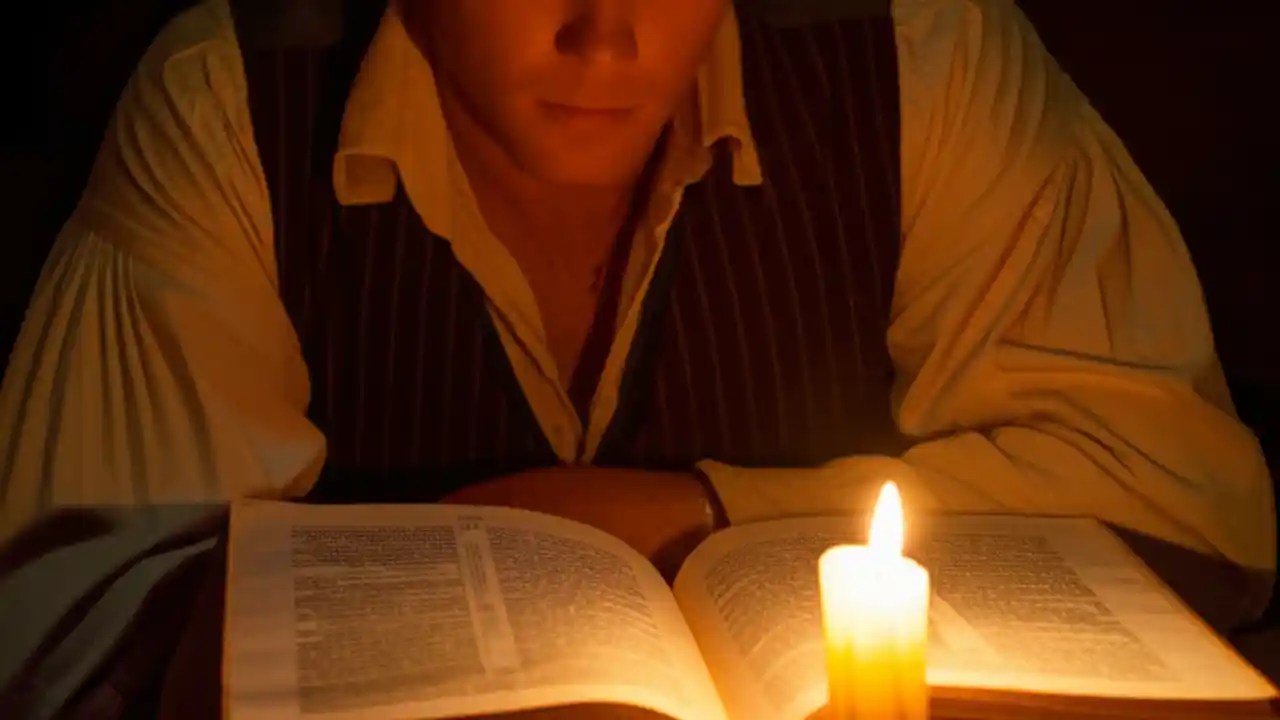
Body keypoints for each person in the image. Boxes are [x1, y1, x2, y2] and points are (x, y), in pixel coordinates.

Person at [0, 0, 1274, 710]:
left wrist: (697, 514)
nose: (605, 33)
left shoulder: (913, 56)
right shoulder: (242, 102)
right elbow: (70, 621)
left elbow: (1187, 502)